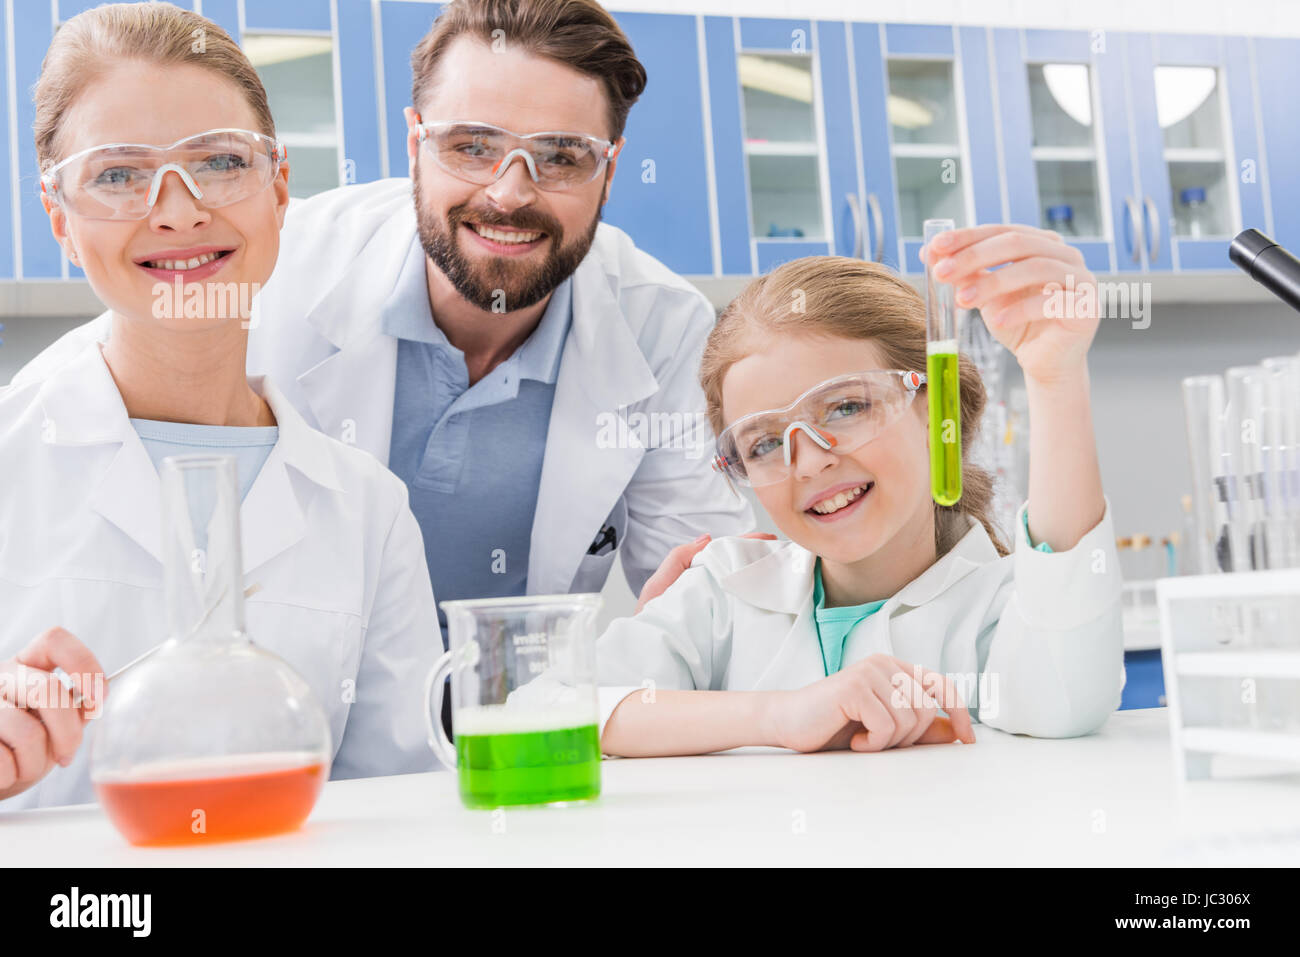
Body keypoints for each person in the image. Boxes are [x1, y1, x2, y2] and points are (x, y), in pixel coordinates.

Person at [18, 0, 758, 648]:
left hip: (520, 728)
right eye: (472, 144)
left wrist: (667, 648)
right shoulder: (268, 260)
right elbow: (110, 372)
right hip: (314, 730)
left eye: (562, 156)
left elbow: (708, 589)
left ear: (610, 169)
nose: (508, 192)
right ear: (416, 142)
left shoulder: (657, 327)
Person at [0, 3, 439, 810]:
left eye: (220, 162)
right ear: (60, 217)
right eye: (118, 174)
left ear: (279, 189)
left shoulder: (369, 511)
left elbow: (400, 812)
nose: (177, 209)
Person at [594, 227, 1126, 757]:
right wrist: (779, 714)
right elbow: (564, 708)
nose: (809, 462)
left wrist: (1056, 377)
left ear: (934, 408)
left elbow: (1065, 698)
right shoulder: (721, 592)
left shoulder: (997, 609)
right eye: (764, 444)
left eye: (846, 407)